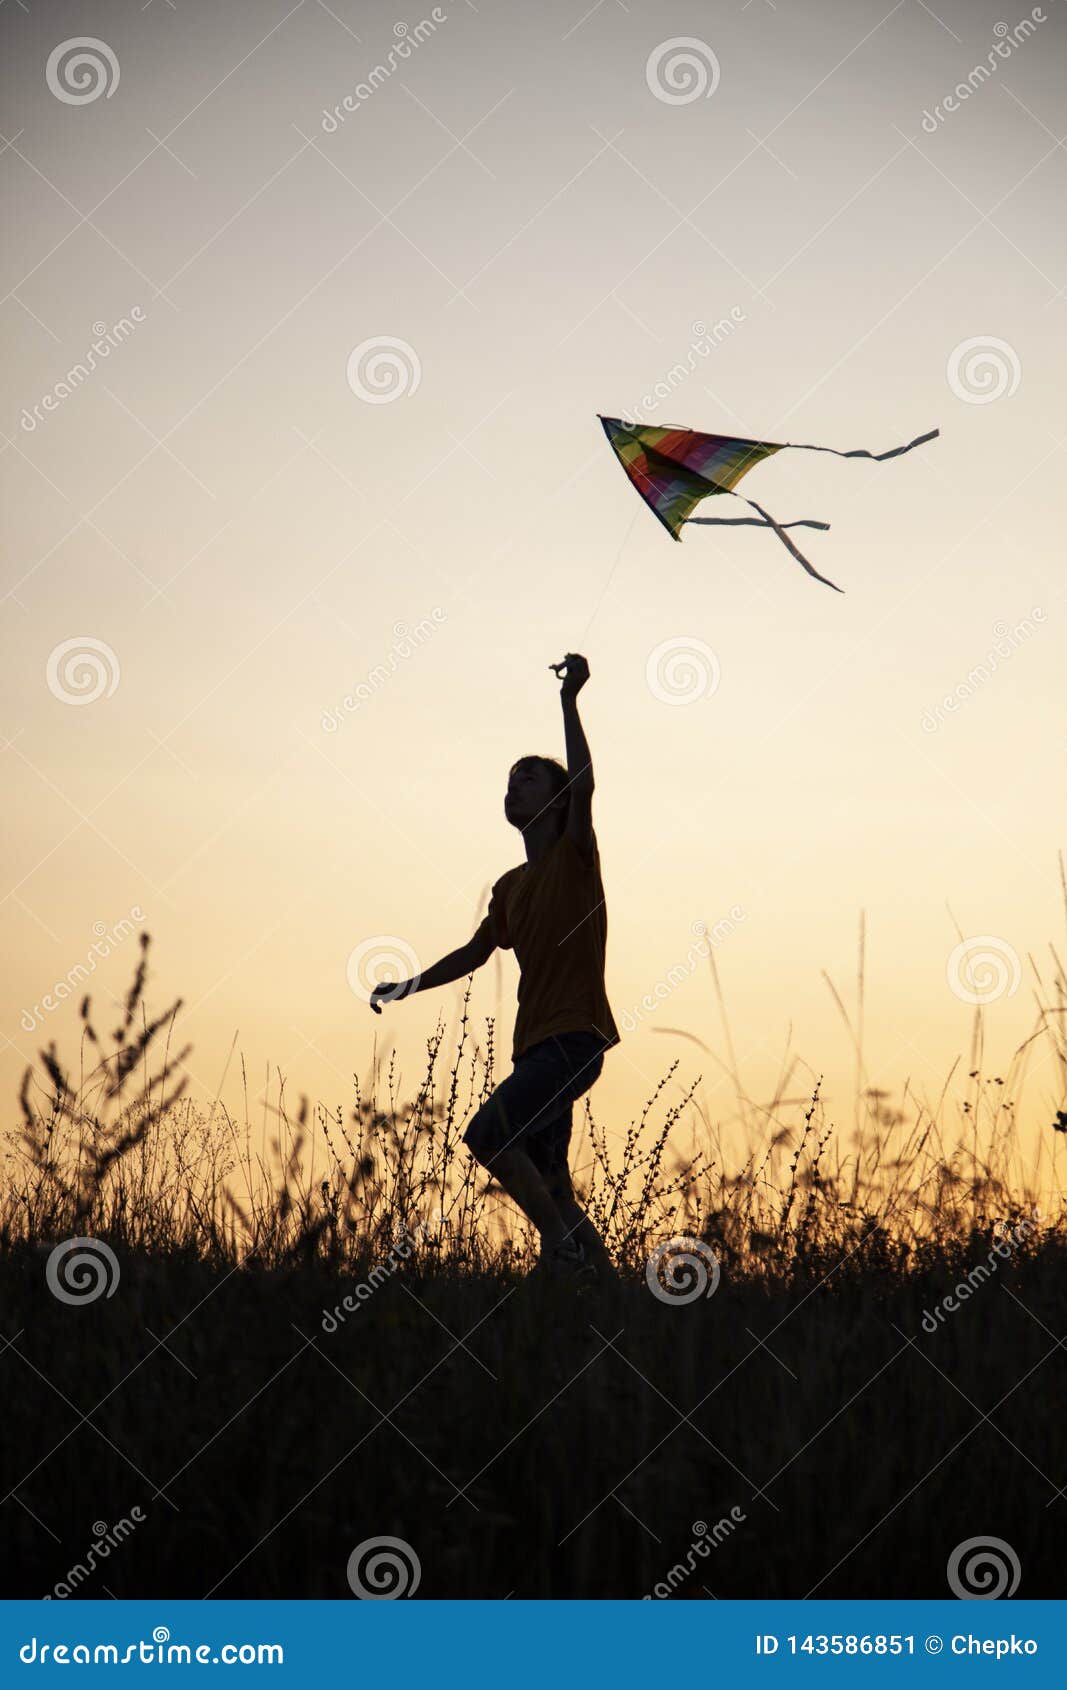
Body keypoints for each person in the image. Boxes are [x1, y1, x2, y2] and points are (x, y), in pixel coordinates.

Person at [371, 652, 619, 1278]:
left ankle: (560, 1251)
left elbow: (586, 784)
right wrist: (409, 984)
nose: (513, 787)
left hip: (573, 1041)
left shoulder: (574, 854)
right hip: (535, 1050)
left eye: (528, 779)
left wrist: (570, 702)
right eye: (509, 780)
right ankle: (608, 1288)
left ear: (558, 800)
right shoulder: (510, 887)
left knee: (488, 1136)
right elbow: (476, 953)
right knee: (554, 1182)